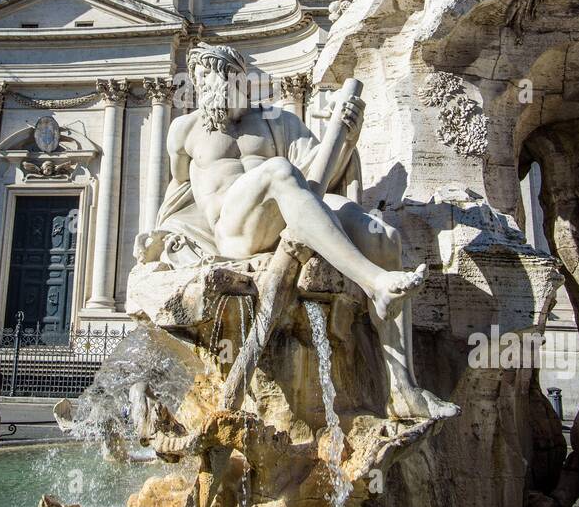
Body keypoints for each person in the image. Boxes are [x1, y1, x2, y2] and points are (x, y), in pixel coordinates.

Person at [151, 43, 456, 421]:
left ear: (240, 79)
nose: (213, 87)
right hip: (234, 233)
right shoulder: (184, 130)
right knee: (278, 170)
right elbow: (179, 191)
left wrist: (345, 135)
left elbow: (318, 179)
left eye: (223, 77)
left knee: (383, 238)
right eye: (205, 79)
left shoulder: (276, 121)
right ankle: (375, 282)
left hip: (290, 213)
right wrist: (163, 236)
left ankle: (403, 389)